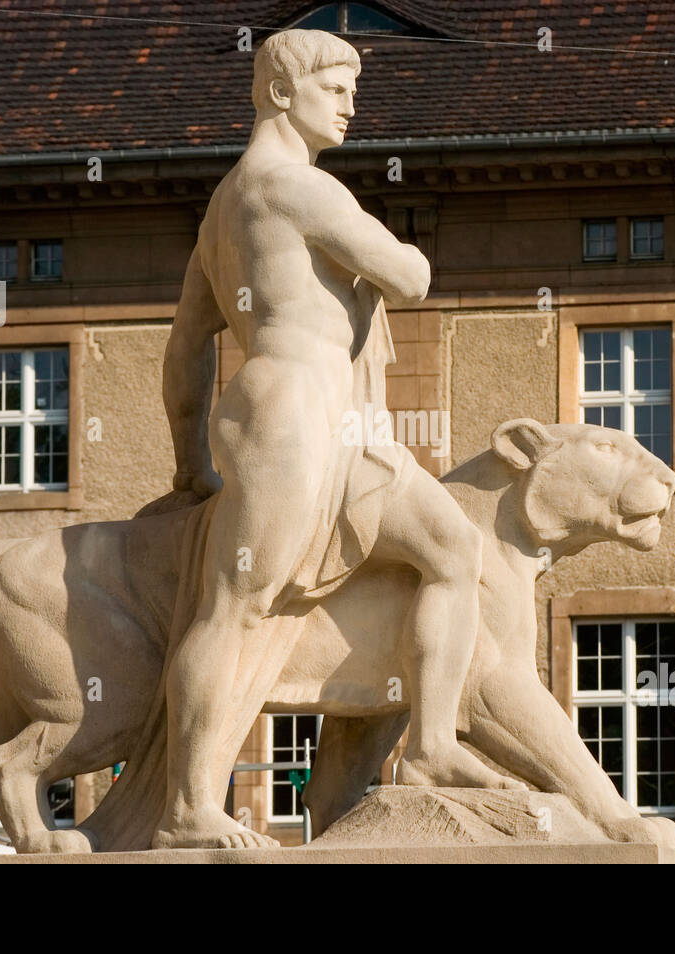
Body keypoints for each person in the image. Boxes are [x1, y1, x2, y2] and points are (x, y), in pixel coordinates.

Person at [146, 29, 519, 850]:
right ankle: (185, 805)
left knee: (455, 549)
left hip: (340, 430)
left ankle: (428, 744)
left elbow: (185, 353)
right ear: (281, 92)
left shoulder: (220, 214)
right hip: (289, 419)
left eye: (354, 86)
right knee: (235, 608)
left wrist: (189, 466)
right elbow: (411, 277)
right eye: (334, 86)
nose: (352, 102)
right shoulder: (293, 187)